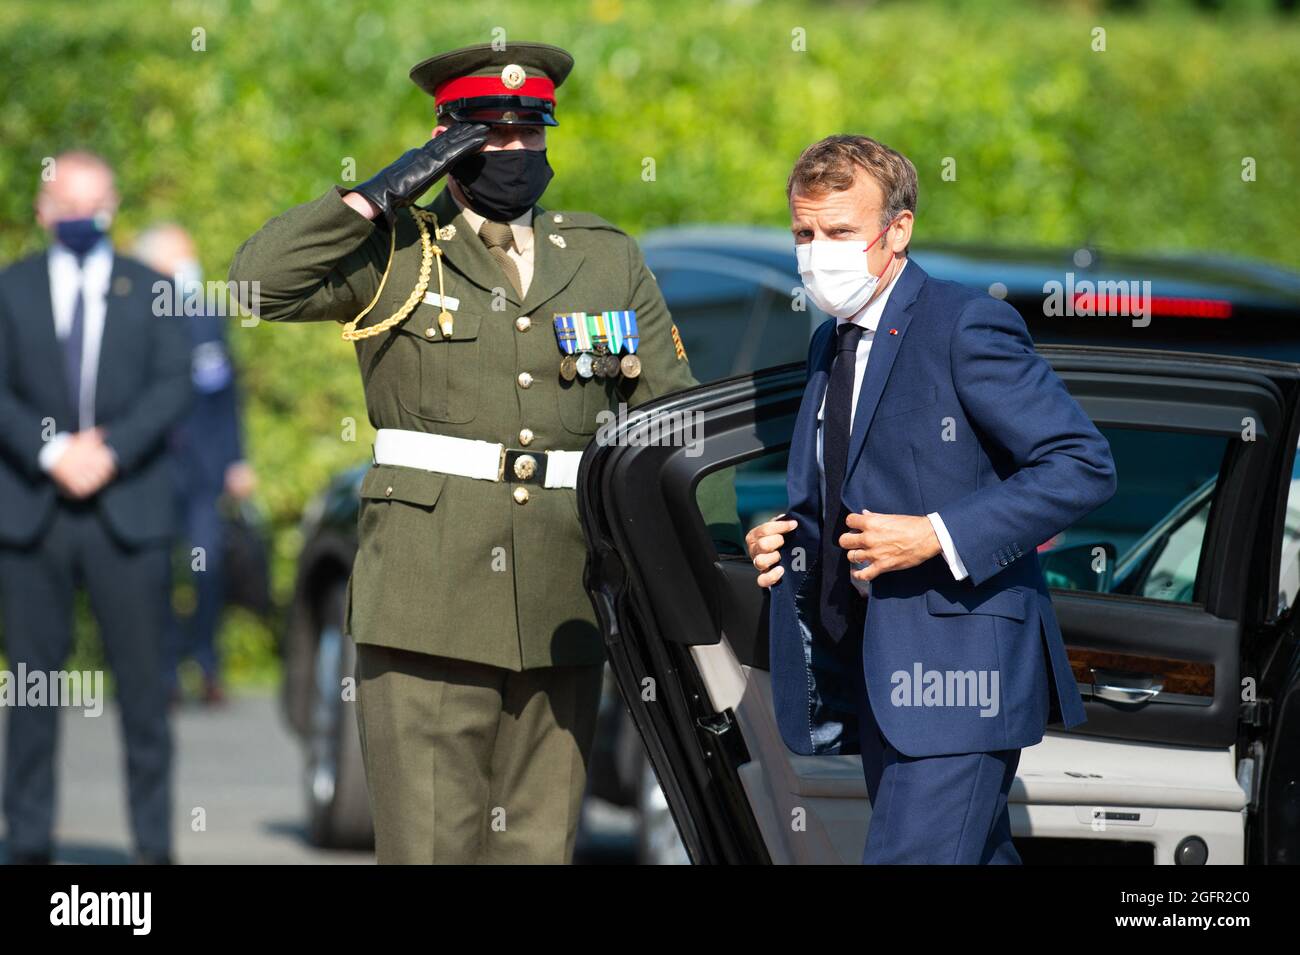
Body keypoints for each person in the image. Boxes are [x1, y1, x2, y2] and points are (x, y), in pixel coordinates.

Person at [229, 41, 738, 863]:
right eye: (488, 136)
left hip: (562, 601)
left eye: (529, 133)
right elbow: (254, 283)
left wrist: (706, 574)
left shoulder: (606, 258)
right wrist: (373, 197)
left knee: (538, 846)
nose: (513, 153)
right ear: (448, 144)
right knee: (432, 847)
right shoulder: (396, 250)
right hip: (428, 601)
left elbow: (671, 426)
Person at [746, 135, 1116, 864]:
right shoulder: (832, 341)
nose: (818, 251)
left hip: (960, 675)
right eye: (804, 233)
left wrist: (938, 534)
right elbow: (841, 494)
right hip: (882, 677)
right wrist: (784, 540)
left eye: (840, 232)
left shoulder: (963, 323)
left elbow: (1081, 463)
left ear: (899, 230)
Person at [0, 151, 190, 864]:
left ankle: (152, 851)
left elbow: (174, 384)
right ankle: (25, 844)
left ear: (115, 206)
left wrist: (111, 450)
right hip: (32, 513)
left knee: (144, 698)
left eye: (95, 204)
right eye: (68, 204)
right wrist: (53, 453)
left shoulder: (152, 288)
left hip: (129, 511)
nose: (82, 218)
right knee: (32, 694)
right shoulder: (10, 289)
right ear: (44, 210)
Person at [132, 224, 256, 706]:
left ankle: (206, 663)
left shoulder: (207, 315)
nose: (188, 266)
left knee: (206, 568)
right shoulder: (133, 314)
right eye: (177, 257)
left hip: (204, 468)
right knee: (157, 572)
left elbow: (227, 394)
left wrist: (237, 459)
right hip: (153, 467)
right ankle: (162, 671)